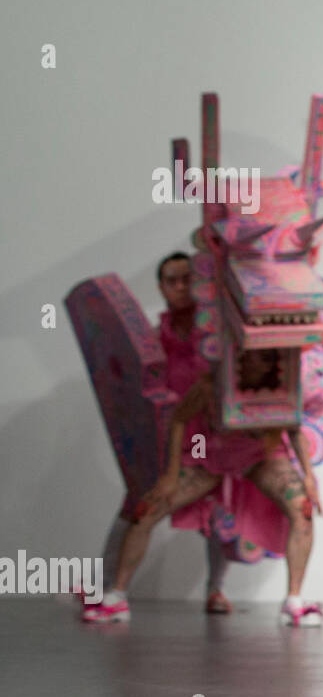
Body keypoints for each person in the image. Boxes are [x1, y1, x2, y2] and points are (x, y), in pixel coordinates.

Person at [83, 267, 323, 627]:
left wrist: (309, 478)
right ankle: (114, 596)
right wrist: (168, 476)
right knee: (144, 509)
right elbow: (181, 418)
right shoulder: (217, 373)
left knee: (302, 510)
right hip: (207, 451)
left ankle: (293, 601)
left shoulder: (285, 372)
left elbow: (293, 427)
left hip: (259, 455)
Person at [89, 253, 233, 616]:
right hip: (168, 440)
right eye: (173, 280)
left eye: (187, 278)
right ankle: (107, 588)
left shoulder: (215, 334)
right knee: (135, 506)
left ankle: (216, 590)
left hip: (206, 440)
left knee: (217, 510)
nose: (181, 286)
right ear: (162, 287)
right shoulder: (154, 340)